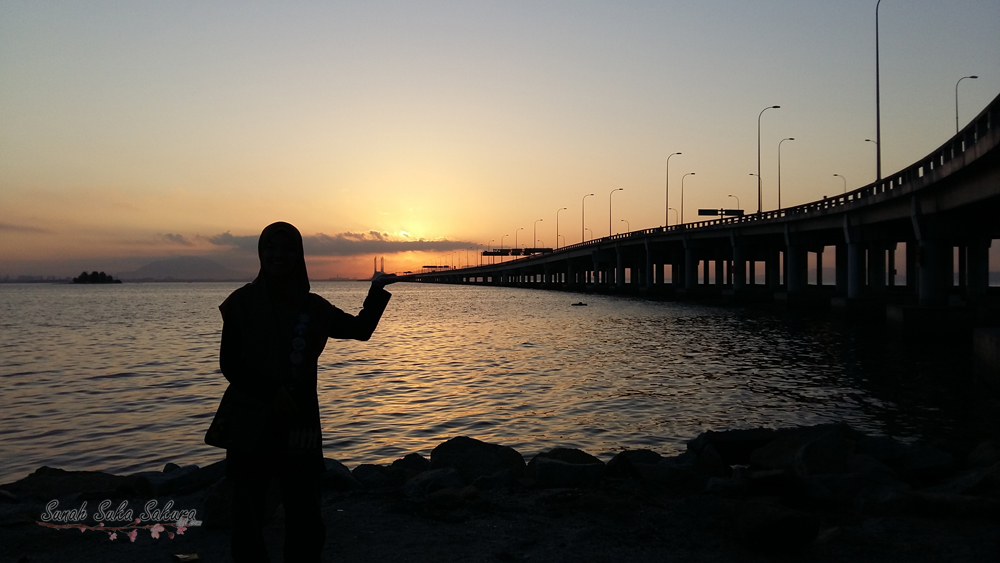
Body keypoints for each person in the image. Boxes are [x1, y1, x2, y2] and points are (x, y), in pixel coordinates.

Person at [205, 221, 396, 562]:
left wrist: (377, 290)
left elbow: (359, 330)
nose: (279, 255)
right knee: (247, 513)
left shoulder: (314, 308)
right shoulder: (240, 303)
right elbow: (230, 365)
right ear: (261, 253)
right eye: (271, 249)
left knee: (305, 512)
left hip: (298, 422)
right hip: (249, 421)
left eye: (287, 248)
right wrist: (270, 392)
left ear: (300, 255)